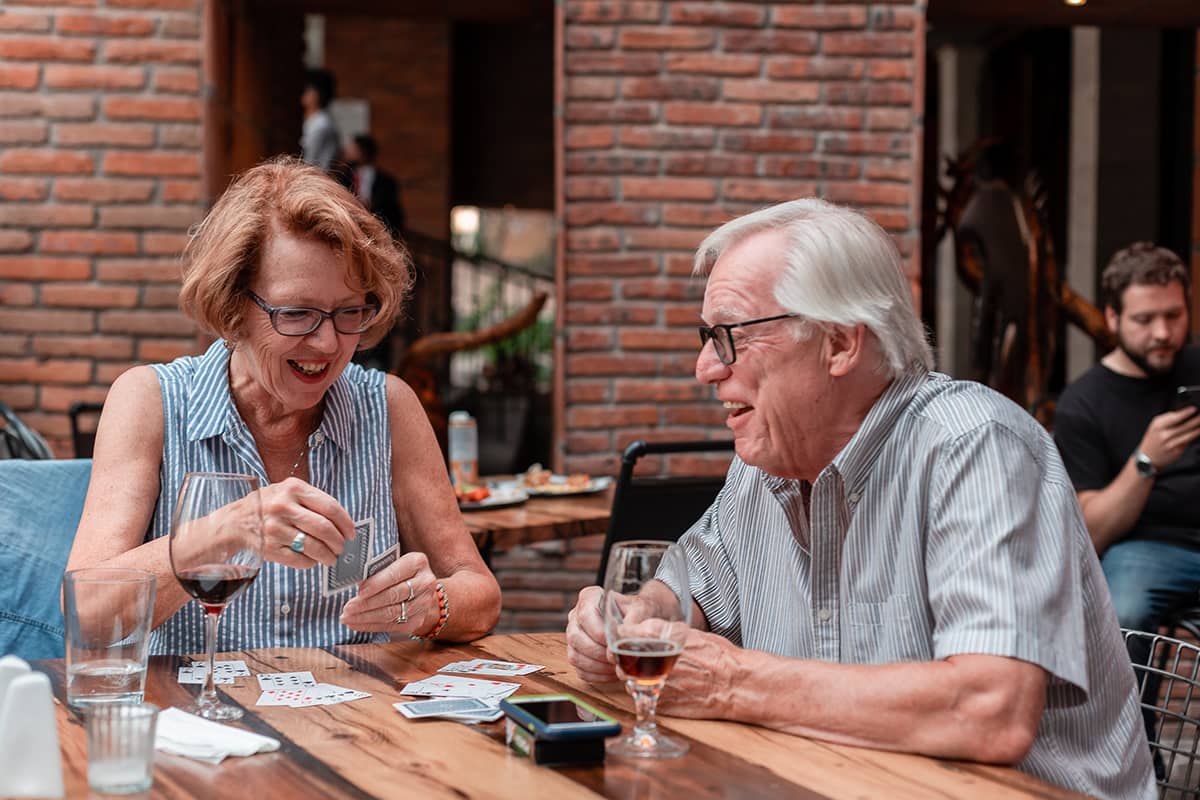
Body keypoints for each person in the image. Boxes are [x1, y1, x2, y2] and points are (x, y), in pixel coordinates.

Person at [566, 199, 1154, 797]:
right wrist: (638, 617)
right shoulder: (768, 460)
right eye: (705, 337)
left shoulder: (974, 446)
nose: (705, 368)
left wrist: (729, 683)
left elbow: (989, 710)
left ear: (840, 344)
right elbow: (694, 592)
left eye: (728, 336)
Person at [66, 156, 501, 654]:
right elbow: (86, 613)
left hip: (357, 724)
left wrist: (430, 606)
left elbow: (481, 595)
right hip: (198, 720)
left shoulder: (388, 408)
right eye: (296, 314)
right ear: (233, 306)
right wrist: (226, 530)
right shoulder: (151, 402)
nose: (327, 343)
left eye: (348, 312)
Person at [1052, 243, 1200, 770]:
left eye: (1173, 315)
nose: (1162, 332)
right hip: (1149, 549)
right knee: (1124, 614)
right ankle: (1134, 768)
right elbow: (1090, 532)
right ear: (1112, 317)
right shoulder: (1084, 403)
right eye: (1145, 319)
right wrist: (1146, 460)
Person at [338, 133, 405, 236]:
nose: (347, 151)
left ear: (363, 152)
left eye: (353, 149)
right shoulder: (344, 177)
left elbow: (394, 214)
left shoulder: (386, 181)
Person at [300, 68, 341, 173]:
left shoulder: (321, 123)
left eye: (307, 90)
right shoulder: (312, 120)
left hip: (315, 180)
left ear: (317, 94)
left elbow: (309, 161)